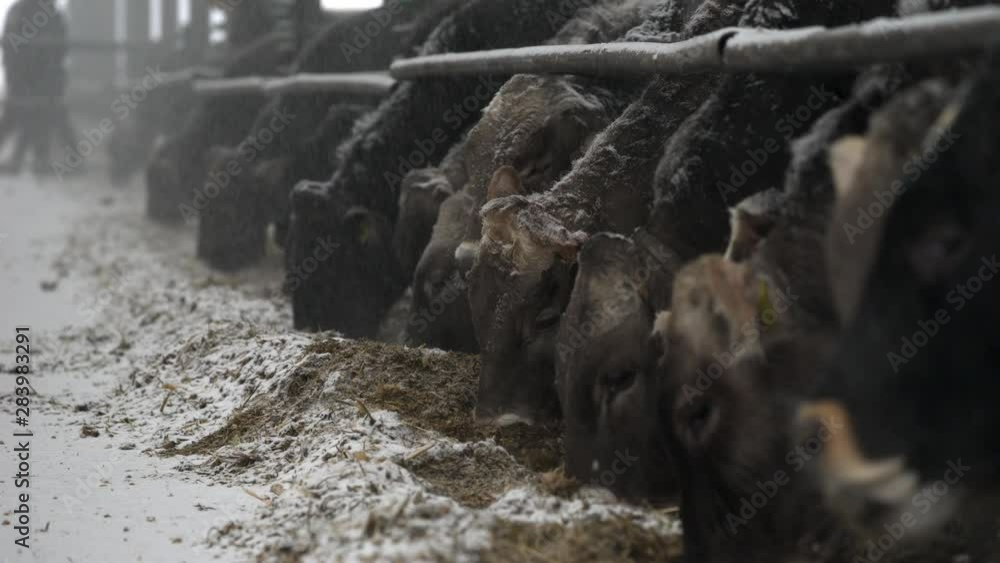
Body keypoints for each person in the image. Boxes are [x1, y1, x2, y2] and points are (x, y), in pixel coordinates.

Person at [0, 0, 74, 175]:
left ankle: (34, 160)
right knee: (37, 116)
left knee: (41, 116)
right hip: (29, 78)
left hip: (40, 79)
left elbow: (59, 48)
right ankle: (38, 160)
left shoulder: (45, 13)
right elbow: (11, 45)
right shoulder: (36, 12)